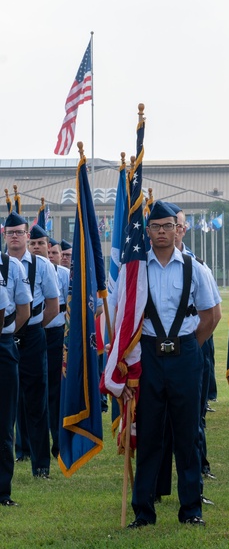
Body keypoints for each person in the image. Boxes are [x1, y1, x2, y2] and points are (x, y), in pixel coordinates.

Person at [124, 201, 221, 528]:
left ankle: (191, 509)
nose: (162, 232)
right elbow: (124, 315)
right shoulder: (137, 268)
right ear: (147, 231)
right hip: (149, 357)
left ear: (177, 229)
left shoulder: (195, 268)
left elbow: (211, 316)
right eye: (156, 227)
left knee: (187, 433)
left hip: (184, 356)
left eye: (168, 226)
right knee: (149, 433)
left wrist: (189, 348)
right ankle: (143, 510)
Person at [6, 215, 58, 478]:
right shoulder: (2, 264)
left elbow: (52, 305)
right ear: (5, 235)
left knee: (37, 401)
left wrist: (32, 329)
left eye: (19, 232)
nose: (15, 236)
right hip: (4, 337)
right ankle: (14, 456)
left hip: (33, 337)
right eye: (10, 232)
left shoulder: (42, 265)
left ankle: (41, 465)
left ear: (28, 236)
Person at [31, 229, 69, 459]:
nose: (36, 247)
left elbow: (65, 307)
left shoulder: (63, 274)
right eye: (33, 243)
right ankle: (25, 447)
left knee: (55, 392)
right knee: (31, 392)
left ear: (48, 246)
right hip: (30, 335)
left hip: (55, 335)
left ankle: (58, 442)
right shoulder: (23, 269)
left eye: (41, 243)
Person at [0, 244, 27, 507]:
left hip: (4, 345)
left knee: (5, 421)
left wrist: (6, 334)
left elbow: (24, 311)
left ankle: (2, 491)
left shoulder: (13, 266)